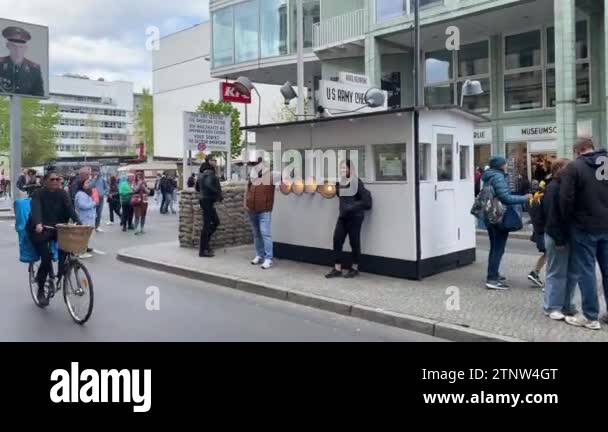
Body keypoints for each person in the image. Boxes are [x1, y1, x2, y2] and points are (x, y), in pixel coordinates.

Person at [560, 137, 608, 330]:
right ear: (593, 148)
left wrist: (567, 221)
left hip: (584, 226)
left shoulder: (575, 167)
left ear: (577, 151)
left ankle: (590, 316)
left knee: (586, 271)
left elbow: (565, 198)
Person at [28, 171, 81, 306]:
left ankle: (60, 273)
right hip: (40, 229)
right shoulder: (38, 194)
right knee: (46, 259)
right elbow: (36, 209)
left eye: (58, 179)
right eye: (53, 179)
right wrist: (38, 223)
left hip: (57, 227)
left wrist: (79, 222)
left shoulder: (63, 193)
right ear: (45, 181)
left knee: (66, 247)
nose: (56, 181)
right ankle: (41, 290)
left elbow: (70, 209)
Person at [481, 156, 531, 290]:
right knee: (498, 248)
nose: (506, 166)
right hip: (499, 217)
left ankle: (494, 273)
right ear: (500, 165)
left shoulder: (489, 176)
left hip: (490, 216)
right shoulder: (498, 177)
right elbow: (505, 198)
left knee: (494, 247)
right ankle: (492, 279)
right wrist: (524, 198)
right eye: (504, 164)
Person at [538, 159, 578, 321]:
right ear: (560, 169)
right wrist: (560, 240)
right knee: (556, 273)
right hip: (557, 236)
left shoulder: (563, 187)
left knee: (571, 273)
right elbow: (551, 218)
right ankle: (552, 307)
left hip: (566, 235)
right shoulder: (553, 188)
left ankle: (566, 305)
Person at [326, 160, 372, 279]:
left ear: (350, 169)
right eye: (340, 168)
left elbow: (367, 202)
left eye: (344, 168)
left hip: (355, 217)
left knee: (354, 242)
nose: (342, 170)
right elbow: (340, 195)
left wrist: (352, 206)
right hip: (343, 217)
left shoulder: (357, 182)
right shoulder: (341, 182)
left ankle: (355, 268)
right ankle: (337, 269)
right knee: (337, 240)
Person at [246, 158, 275, 270]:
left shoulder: (271, 175)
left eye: (255, 164)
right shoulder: (252, 175)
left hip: (264, 209)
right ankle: (259, 255)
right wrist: (246, 202)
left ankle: (269, 258)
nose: (254, 166)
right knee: (256, 234)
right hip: (252, 209)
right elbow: (248, 189)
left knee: (265, 233)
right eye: (252, 164)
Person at [0, 26, 44, 97]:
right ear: (8, 46)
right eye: (14, 46)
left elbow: (39, 95)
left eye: (21, 47)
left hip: (25, 107)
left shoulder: (34, 69)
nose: (17, 50)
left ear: (25, 48)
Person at [198, 156, 222, 258]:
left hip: (205, 200)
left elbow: (197, 187)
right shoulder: (209, 173)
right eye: (214, 161)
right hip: (207, 201)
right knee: (208, 225)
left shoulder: (202, 174)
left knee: (214, 223)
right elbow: (208, 185)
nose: (215, 163)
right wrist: (218, 193)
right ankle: (203, 250)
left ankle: (206, 245)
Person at [527, 180, 548, 288]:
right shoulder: (540, 198)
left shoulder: (534, 198)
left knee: (548, 254)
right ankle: (536, 273)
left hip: (539, 231)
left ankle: (535, 273)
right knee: (550, 254)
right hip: (543, 231)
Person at [74, 178, 97, 259]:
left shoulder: (84, 193)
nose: (88, 185)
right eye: (86, 183)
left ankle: (85, 248)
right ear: (82, 184)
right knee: (83, 235)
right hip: (84, 218)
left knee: (86, 235)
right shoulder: (80, 194)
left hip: (87, 217)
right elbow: (82, 205)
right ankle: (81, 252)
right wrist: (93, 203)